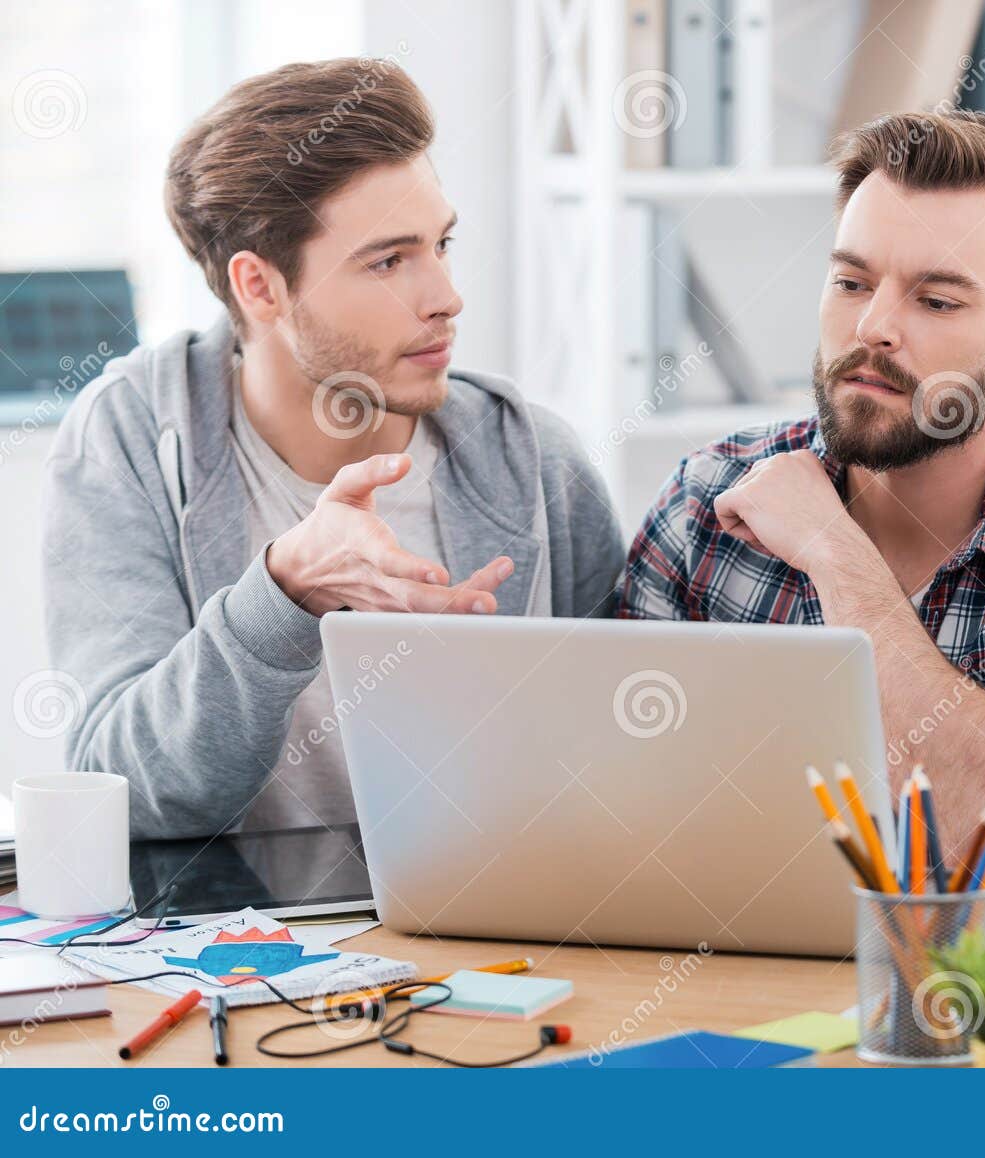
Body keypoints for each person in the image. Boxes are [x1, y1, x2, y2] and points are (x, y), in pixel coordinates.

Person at [44, 59, 623, 840]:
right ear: (261, 288)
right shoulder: (129, 442)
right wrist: (282, 593)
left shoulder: (536, 461)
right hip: (237, 955)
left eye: (441, 244)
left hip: (493, 945)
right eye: (388, 261)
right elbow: (120, 794)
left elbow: (629, 771)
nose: (446, 295)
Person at [618, 110, 985, 875]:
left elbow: (978, 830)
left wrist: (833, 550)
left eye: (936, 301)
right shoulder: (704, 504)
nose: (873, 327)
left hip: (984, 989)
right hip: (722, 974)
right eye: (850, 282)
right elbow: (621, 814)